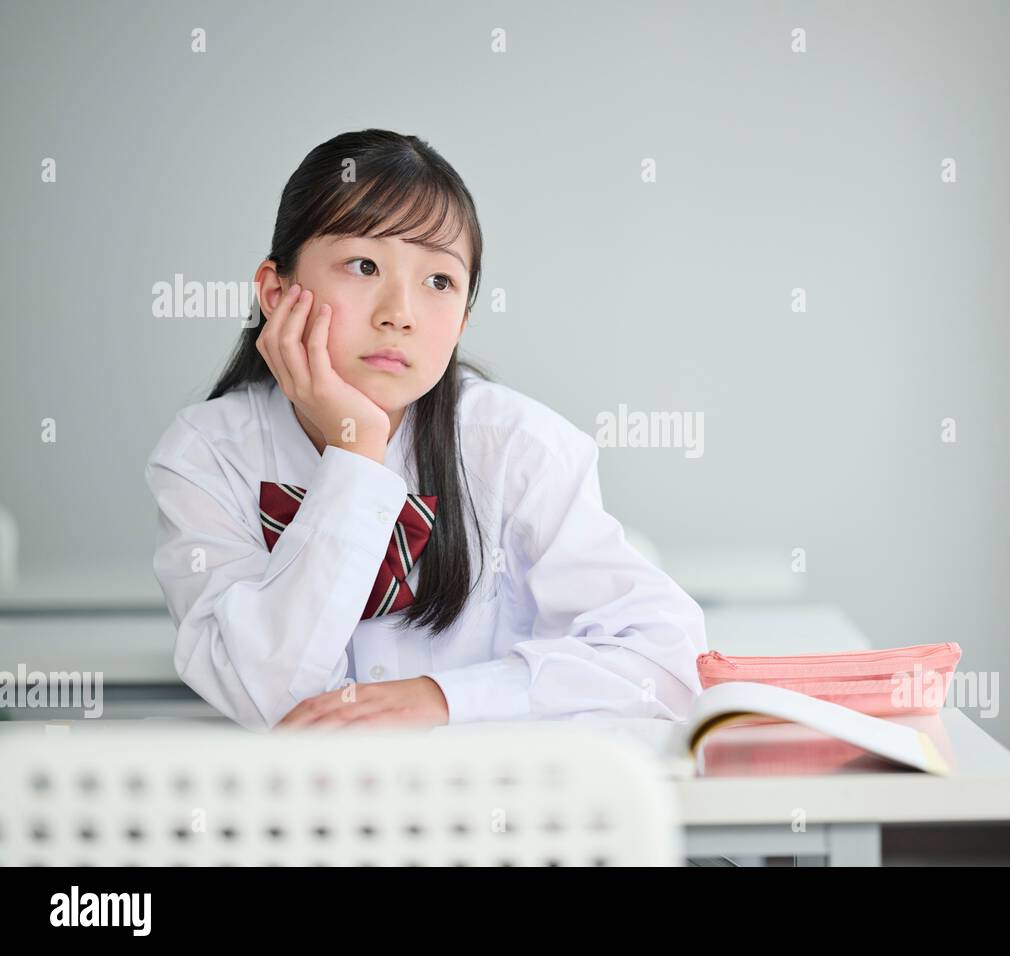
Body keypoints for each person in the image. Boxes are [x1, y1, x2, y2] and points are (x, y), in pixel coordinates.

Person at [144, 128, 707, 732]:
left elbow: (666, 663)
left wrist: (444, 698)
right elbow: (270, 698)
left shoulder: (518, 447)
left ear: (463, 318)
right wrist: (355, 451)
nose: (399, 314)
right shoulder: (204, 456)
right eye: (363, 265)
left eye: (438, 282)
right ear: (277, 291)